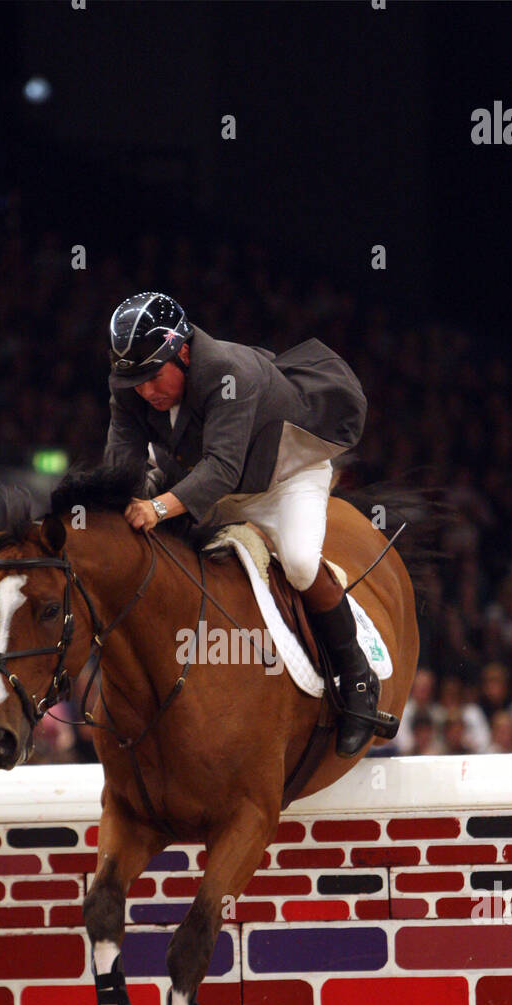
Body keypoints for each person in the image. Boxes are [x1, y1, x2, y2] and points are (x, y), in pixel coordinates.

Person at [102, 290, 379, 757]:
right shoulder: (132, 387)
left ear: (183, 352)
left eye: (153, 377)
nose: (145, 391)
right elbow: (121, 461)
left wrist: (158, 508)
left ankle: (355, 679)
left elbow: (222, 469)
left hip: (282, 479)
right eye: (135, 381)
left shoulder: (231, 372)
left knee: (298, 564)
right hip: (200, 481)